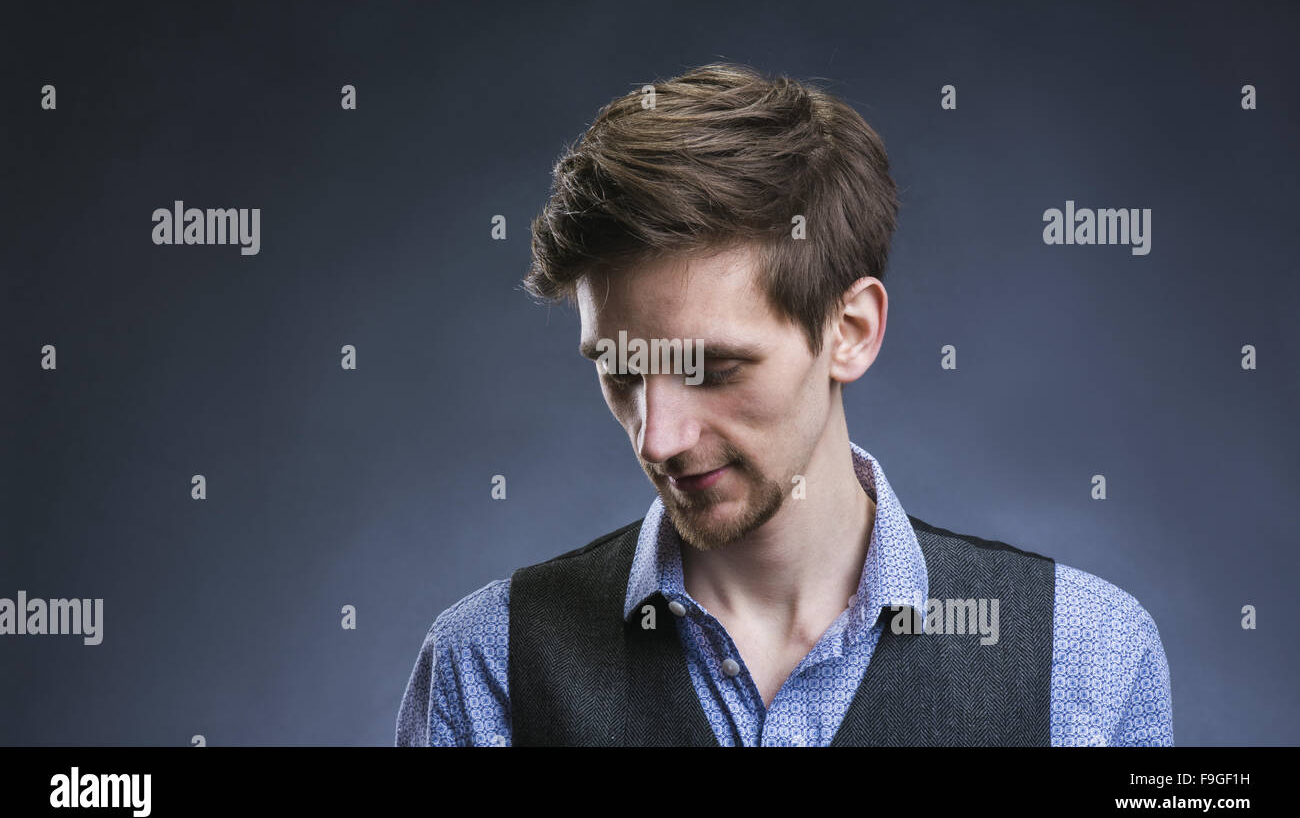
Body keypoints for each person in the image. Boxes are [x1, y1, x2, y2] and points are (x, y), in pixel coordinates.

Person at [397, 62, 1172, 746]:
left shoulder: (1084, 657)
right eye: (622, 372)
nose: (658, 436)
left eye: (712, 367)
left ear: (851, 331)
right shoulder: (488, 663)